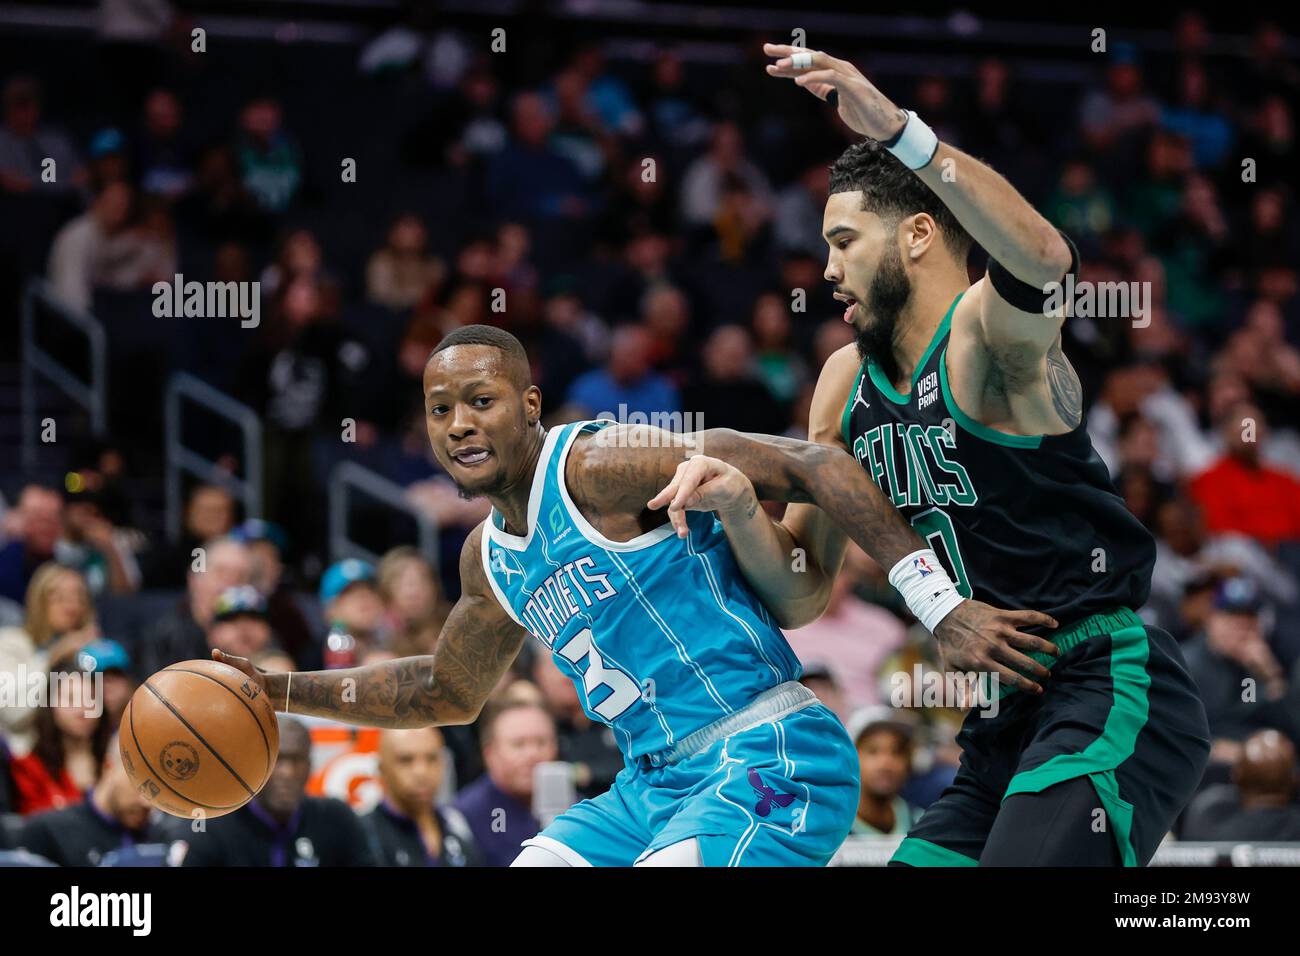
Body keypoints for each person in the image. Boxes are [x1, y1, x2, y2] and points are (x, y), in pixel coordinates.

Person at [653, 44, 1211, 866]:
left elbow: (1048, 264)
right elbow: (804, 588)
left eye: (845, 241)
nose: (828, 268)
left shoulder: (983, 338)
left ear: (917, 234)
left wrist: (902, 133)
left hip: (1104, 679)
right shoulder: (843, 381)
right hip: (995, 718)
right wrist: (741, 505)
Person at [217, 323, 1052, 867]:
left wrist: (941, 604)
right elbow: (446, 690)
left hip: (768, 752)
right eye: (441, 411)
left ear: (530, 406)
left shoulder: (598, 465)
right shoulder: (486, 559)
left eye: (481, 401)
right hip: (649, 788)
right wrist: (281, 690)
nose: (460, 424)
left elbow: (817, 464)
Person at [170, 718, 374, 866]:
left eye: (297, 760)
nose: (288, 772)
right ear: (255, 764)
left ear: (310, 766)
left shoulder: (336, 818)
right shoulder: (212, 825)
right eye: (278, 759)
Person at [18, 733, 162, 866]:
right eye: (141, 786)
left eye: (159, 794)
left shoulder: (164, 837)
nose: (147, 803)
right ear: (109, 766)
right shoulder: (48, 831)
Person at [451, 700, 555, 867]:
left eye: (541, 742)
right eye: (518, 744)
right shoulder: (462, 817)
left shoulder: (575, 805)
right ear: (489, 754)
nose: (532, 754)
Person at [361, 727, 481, 867]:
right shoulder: (364, 835)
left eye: (432, 758)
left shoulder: (459, 826)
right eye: (406, 760)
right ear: (382, 769)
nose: (421, 772)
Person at [847, 707, 923, 838]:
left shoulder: (922, 823)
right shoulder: (827, 826)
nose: (886, 763)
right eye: (873, 751)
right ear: (851, 757)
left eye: (897, 752)